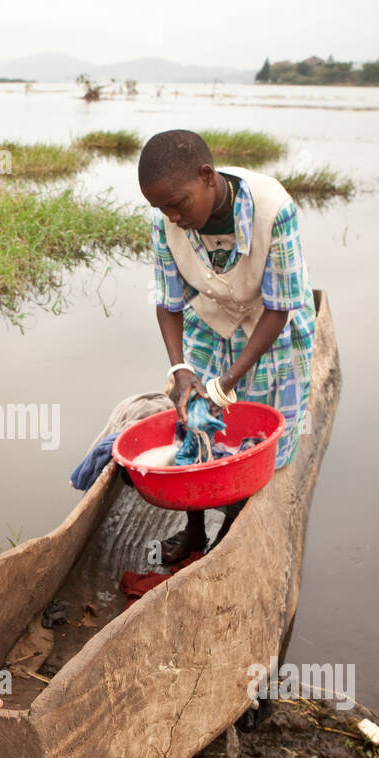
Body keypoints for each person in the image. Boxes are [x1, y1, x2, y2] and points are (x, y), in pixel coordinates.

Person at [137, 129, 315, 562]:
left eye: (179, 204)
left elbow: (278, 308)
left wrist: (229, 381)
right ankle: (195, 530)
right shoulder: (167, 221)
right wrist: (181, 371)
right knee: (192, 419)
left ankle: (234, 531)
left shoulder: (273, 209)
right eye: (162, 208)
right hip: (212, 316)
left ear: (207, 176)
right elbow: (168, 302)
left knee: (257, 438)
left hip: (272, 326)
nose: (173, 216)